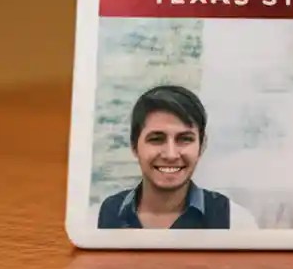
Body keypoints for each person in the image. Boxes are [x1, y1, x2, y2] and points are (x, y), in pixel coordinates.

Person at [97, 85, 258, 229]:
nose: (171, 154)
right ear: (134, 145)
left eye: (185, 139)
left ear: (202, 146)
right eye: (156, 139)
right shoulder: (97, 219)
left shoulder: (236, 223)